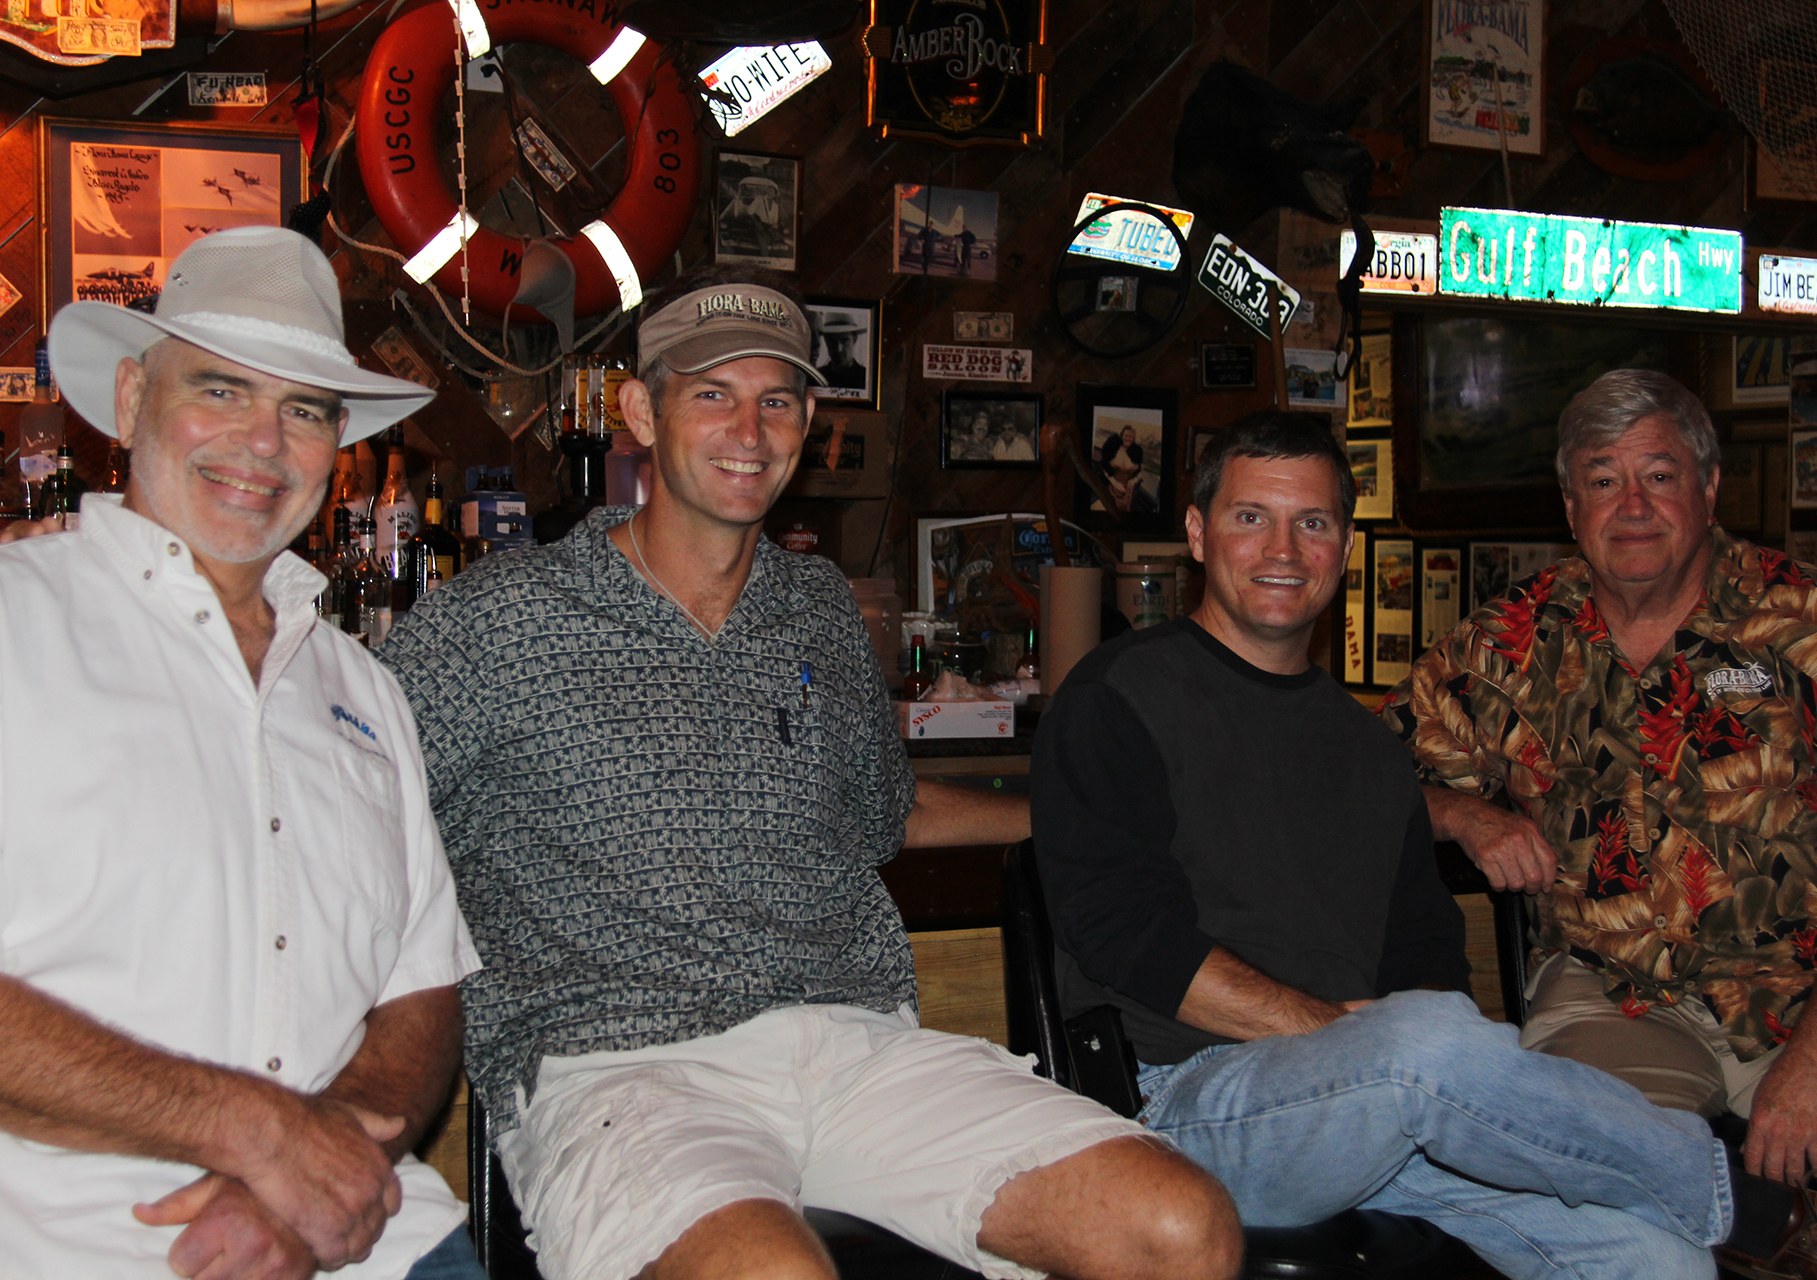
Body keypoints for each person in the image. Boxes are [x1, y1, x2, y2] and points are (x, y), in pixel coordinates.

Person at [378, 266, 1241, 1280]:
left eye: (777, 400)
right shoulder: (497, 619)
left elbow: (888, 810)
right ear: (640, 412)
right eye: (713, 394)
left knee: (1184, 1227)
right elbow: (352, 813)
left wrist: (1070, 814)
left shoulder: (819, 609)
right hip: (618, 1061)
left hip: (851, 1043)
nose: (751, 428)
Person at [1033, 408, 1817, 1280]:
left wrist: (1388, 1040)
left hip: (1377, 1105)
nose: (1282, 551)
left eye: (1312, 523)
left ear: (1343, 545)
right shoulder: (1122, 694)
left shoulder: (1370, 749)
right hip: (1183, 1101)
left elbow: (1428, 960)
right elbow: (1123, 932)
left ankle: (1703, 1225)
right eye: (1249, 518)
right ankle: (1762, 1212)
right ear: (1196, 533)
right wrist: (1336, 1036)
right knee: (1425, 1044)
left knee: (1658, 1260)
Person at [0, 226, 486, 1279]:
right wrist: (257, 1134)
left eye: (303, 410)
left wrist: (326, 1157)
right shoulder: (11, 625)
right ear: (131, 400)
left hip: (371, 1229)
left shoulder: (364, 688)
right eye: (219, 391)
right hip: (81, 1240)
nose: (262, 444)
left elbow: (424, 992)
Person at [1380, 369, 1817, 1271]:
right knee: (1572, 1206)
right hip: (1611, 990)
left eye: (1659, 476)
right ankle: (1769, 1228)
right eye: (1602, 479)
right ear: (1569, 504)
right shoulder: (1508, 638)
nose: (1632, 505)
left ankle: (1767, 1223)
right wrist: (1464, 812)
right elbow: (1366, 781)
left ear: (1708, 489)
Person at [812, 311, 867, 393]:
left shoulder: (866, 378)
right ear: (826, 341)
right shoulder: (815, 378)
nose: (838, 349)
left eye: (844, 340)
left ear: (855, 339)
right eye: (832, 341)